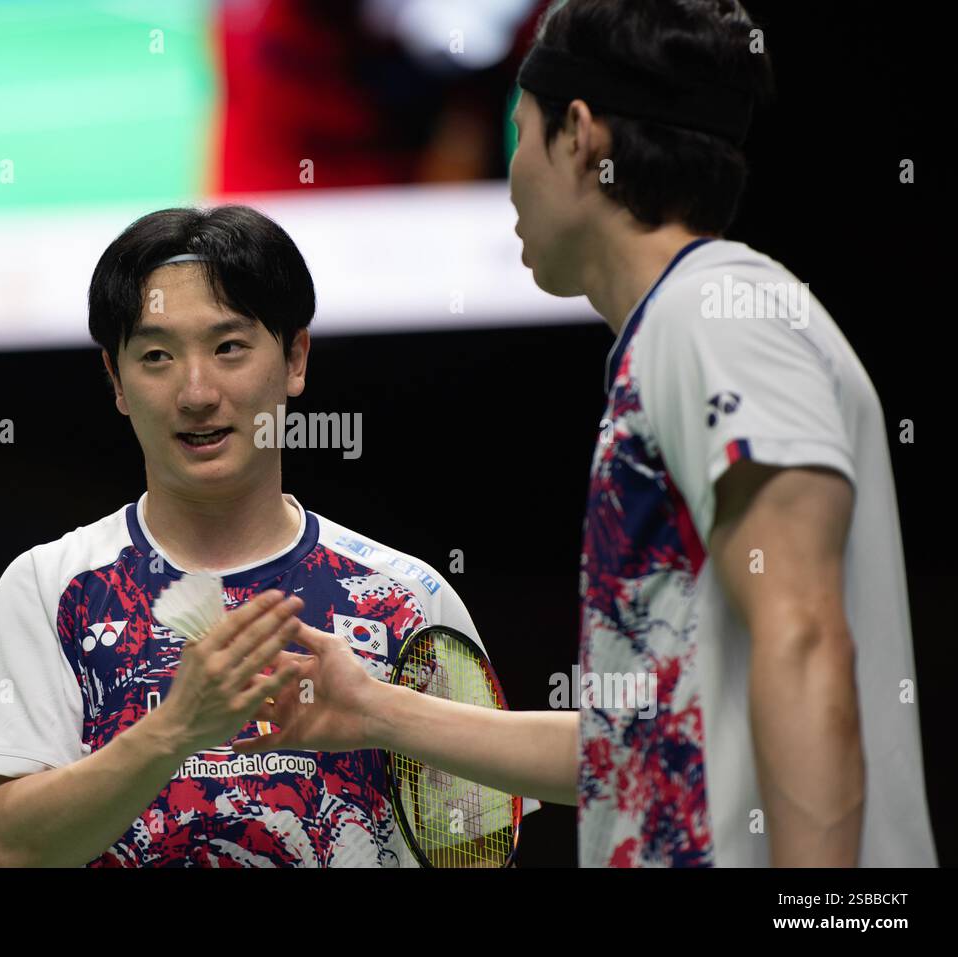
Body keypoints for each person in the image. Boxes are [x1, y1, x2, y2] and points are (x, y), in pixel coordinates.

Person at [239, 0, 938, 868]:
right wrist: (373, 712)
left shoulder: (718, 314)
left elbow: (804, 639)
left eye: (518, 135)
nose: (508, 176)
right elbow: (638, 749)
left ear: (578, 137)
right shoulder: (681, 331)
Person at [0, 205, 523, 866]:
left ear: (295, 357)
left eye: (229, 347)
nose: (195, 391)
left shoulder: (408, 596)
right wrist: (178, 726)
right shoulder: (51, 587)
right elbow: (10, 849)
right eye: (156, 355)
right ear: (116, 379)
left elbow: (475, 841)